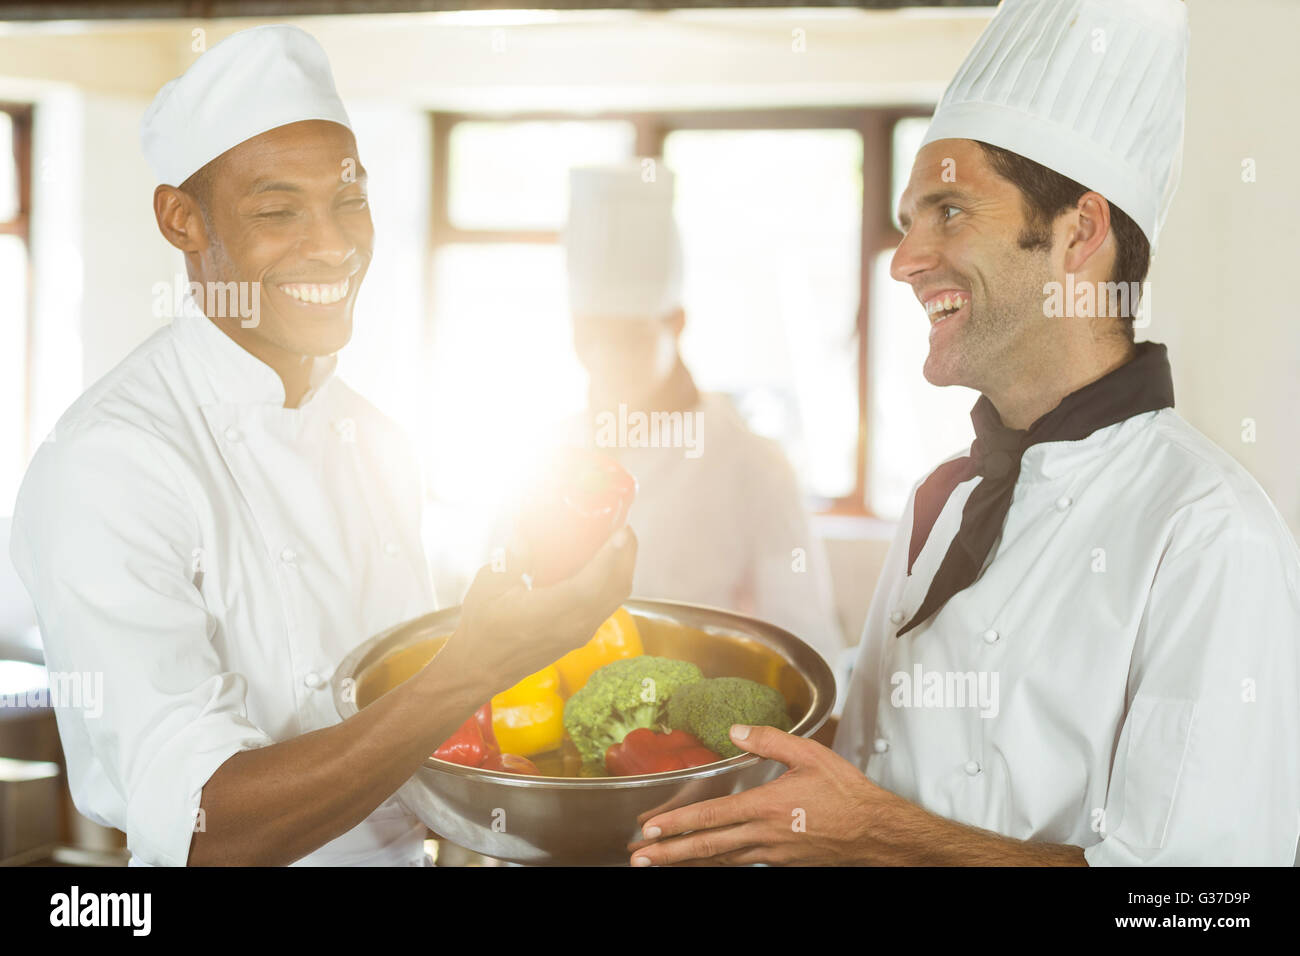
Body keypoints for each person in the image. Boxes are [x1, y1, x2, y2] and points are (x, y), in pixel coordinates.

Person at [628, 0, 1300, 866]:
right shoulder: (941, 498)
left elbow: (1205, 908)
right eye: (909, 220)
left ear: (1079, 234)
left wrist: (878, 837)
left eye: (948, 212)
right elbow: (874, 769)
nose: (905, 259)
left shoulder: (1209, 532)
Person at [9, 24, 635, 867]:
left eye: (349, 200)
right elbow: (207, 826)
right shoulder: (110, 463)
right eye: (276, 210)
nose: (335, 244)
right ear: (181, 221)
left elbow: (403, 724)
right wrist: (476, 660)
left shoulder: (377, 438)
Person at [547, 161, 844, 668]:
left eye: (628, 338)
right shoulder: (549, 454)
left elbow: (805, 646)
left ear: (676, 323)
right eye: (588, 334)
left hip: (705, 741)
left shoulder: (753, 463)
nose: (603, 356)